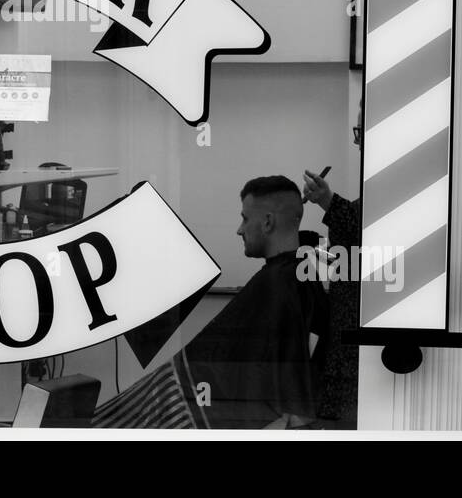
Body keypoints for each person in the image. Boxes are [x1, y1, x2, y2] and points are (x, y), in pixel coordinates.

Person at [93, 174, 328, 429]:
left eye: (245, 218)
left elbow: (285, 388)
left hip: (170, 406)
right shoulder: (297, 277)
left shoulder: (278, 284)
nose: (239, 229)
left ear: (268, 222)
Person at [301, 104, 363, 428]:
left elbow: (363, 237)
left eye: (360, 131)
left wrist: (327, 201)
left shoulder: (395, 188)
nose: (357, 141)